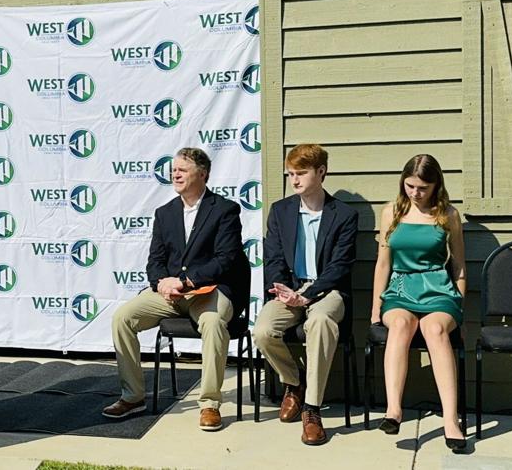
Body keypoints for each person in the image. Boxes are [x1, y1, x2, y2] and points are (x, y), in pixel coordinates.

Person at [103, 147, 250, 431]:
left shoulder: (225, 210)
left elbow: (226, 260)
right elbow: (155, 261)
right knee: (122, 318)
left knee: (212, 321)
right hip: (172, 294)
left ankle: (209, 404)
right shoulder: (165, 213)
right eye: (173, 169)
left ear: (203, 174)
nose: (175, 173)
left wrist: (186, 282)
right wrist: (161, 283)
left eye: (183, 169)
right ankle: (133, 397)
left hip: (210, 291)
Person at [253, 144, 358, 445]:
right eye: (290, 174)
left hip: (327, 290)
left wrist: (309, 295)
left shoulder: (344, 215)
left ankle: (312, 409)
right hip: (290, 288)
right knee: (262, 331)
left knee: (320, 322)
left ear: (321, 172)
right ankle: (294, 382)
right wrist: (282, 289)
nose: (294, 179)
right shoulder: (281, 210)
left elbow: (340, 265)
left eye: (301, 173)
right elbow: (272, 257)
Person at [371, 154, 466, 452]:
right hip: (400, 288)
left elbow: (460, 266)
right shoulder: (391, 213)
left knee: (435, 330)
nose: (415, 192)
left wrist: (459, 301)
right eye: (410, 185)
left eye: (423, 187)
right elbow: (383, 264)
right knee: (400, 324)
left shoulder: (448, 214)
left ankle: (451, 420)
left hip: (438, 289)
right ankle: (393, 410)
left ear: (436, 185)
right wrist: (376, 308)